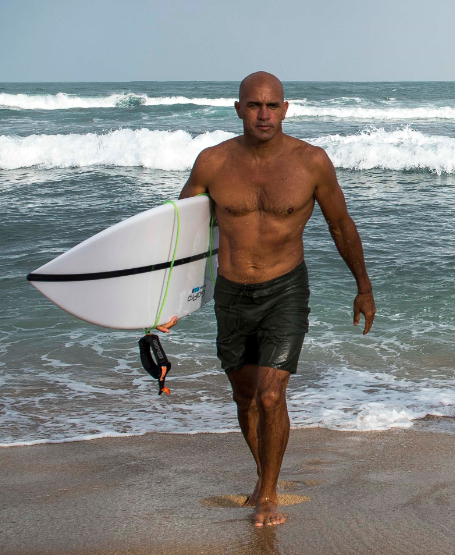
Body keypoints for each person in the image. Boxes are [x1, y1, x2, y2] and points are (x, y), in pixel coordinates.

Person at [159, 71, 376, 526]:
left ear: (285, 108)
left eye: (272, 105)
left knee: (271, 395)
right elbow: (181, 232)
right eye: (254, 105)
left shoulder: (311, 162)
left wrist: (364, 287)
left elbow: (340, 225)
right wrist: (167, 302)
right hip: (231, 292)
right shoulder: (212, 163)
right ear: (238, 108)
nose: (264, 114)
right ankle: (263, 475)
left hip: (285, 289)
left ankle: (269, 495)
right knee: (244, 398)